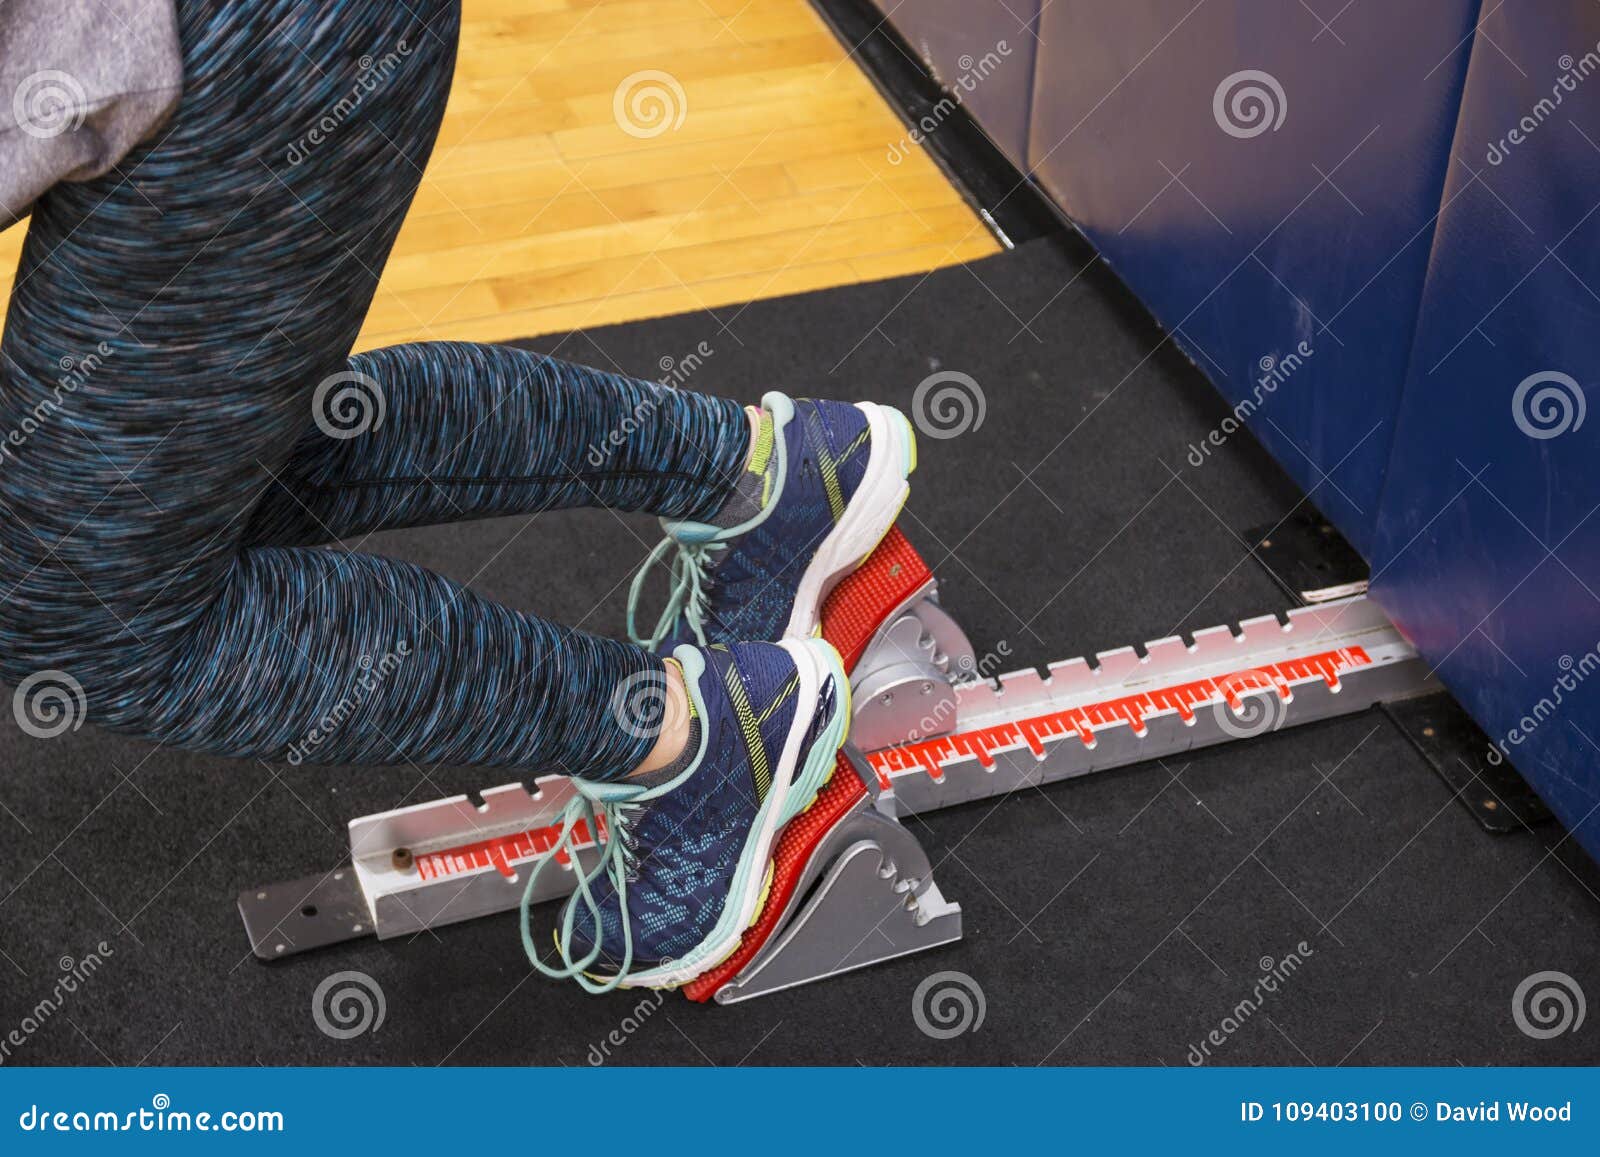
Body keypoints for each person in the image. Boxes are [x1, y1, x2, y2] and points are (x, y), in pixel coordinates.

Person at [0, 1, 914, 992]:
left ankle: (699, 744)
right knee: (164, 500)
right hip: (242, 38)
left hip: (216, 49)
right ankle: (761, 478)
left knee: (75, 609)